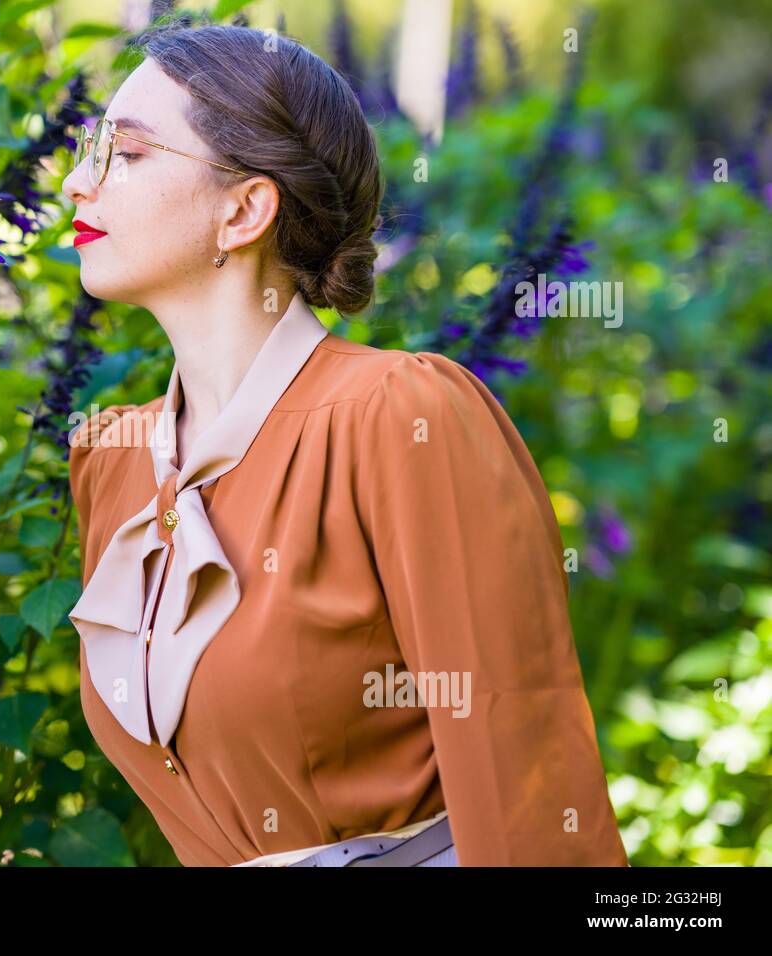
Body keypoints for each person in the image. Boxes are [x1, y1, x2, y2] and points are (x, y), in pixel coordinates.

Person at [60, 23, 628, 868]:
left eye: (129, 154)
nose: (77, 180)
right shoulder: (113, 458)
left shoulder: (399, 416)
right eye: (89, 149)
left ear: (245, 208)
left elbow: (530, 784)